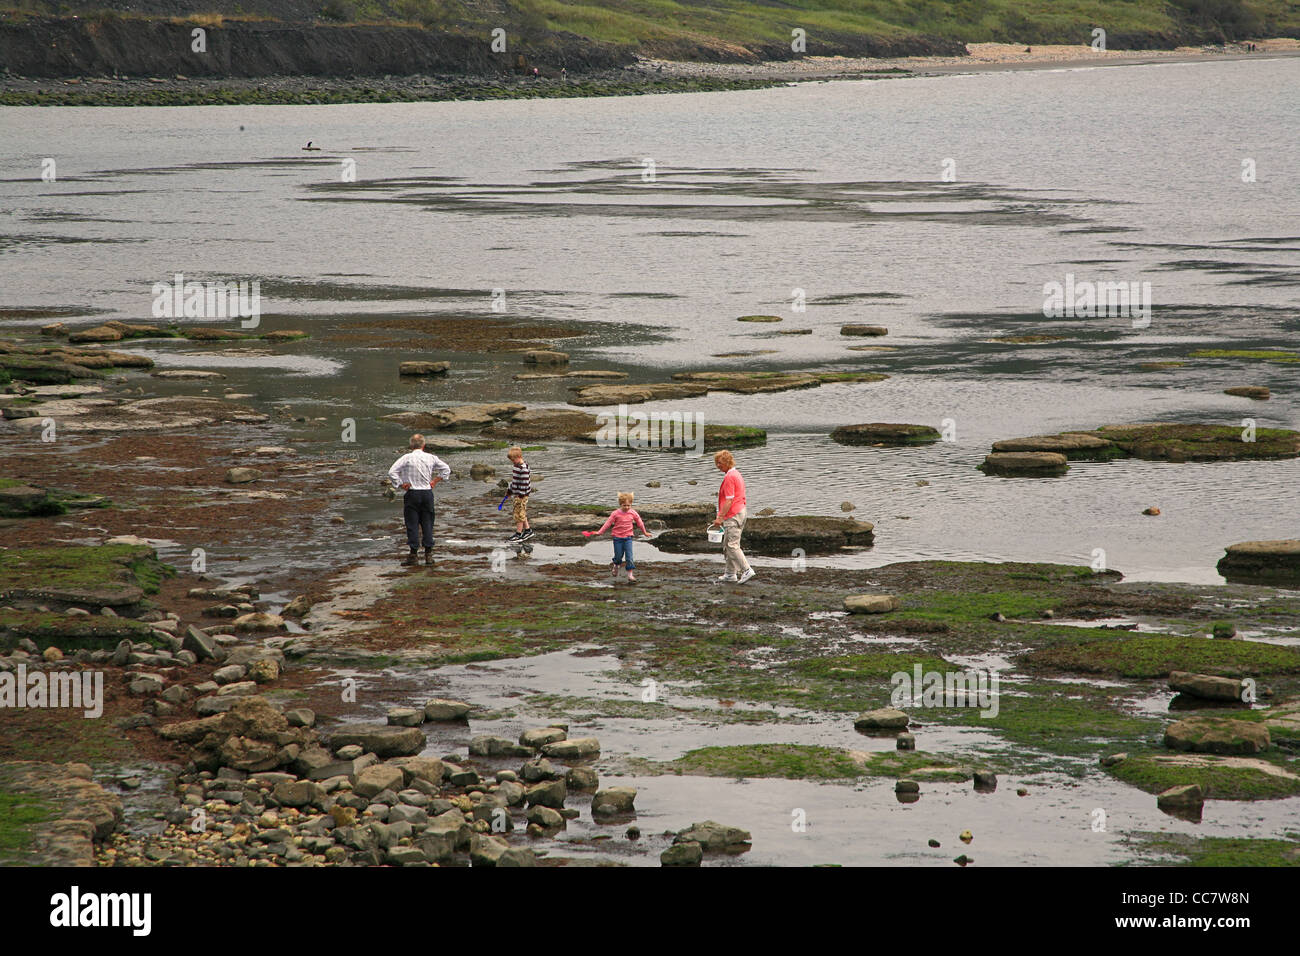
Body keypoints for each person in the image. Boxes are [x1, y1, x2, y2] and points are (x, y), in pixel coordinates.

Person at [387, 434, 450, 565]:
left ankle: (413, 555)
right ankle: (429, 555)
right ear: (423, 445)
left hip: (412, 493)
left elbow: (392, 472)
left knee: (412, 524)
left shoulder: (406, 458)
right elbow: (446, 469)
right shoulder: (431, 457)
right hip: (427, 493)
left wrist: (400, 484)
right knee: (427, 523)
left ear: (411, 445)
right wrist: (435, 481)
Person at [710, 450, 753, 584]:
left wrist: (720, 517)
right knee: (728, 545)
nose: (718, 465)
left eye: (720, 462)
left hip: (733, 514)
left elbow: (729, 500)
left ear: (728, 462)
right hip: (740, 511)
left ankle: (746, 570)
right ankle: (730, 574)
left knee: (732, 545)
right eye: (716, 462)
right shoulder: (736, 474)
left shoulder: (730, 477)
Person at [585, 492, 648, 583]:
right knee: (618, 556)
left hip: (628, 538)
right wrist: (600, 532)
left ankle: (630, 574)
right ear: (620, 504)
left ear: (631, 504)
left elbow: (640, 522)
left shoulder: (633, 513)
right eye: (624, 505)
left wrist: (645, 532)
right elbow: (608, 523)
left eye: (628, 505)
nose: (626, 507)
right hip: (617, 538)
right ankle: (616, 565)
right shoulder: (615, 513)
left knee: (629, 557)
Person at [506, 446, 534, 542]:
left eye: (513, 460)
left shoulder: (523, 468)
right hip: (517, 493)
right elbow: (515, 480)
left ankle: (518, 534)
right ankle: (528, 530)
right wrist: (510, 490)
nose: (512, 462)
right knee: (521, 512)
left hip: (522, 495)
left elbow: (524, 483)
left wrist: (521, 495)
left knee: (519, 514)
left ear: (519, 456)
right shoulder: (516, 466)